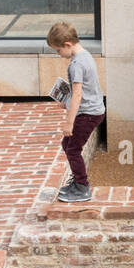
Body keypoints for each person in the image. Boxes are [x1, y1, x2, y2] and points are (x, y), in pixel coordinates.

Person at [46, 21, 105, 204]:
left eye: (58, 51)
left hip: (88, 113)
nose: (59, 55)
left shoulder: (75, 64)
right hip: (92, 110)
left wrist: (69, 122)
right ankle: (78, 181)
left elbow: (78, 94)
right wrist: (67, 101)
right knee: (67, 144)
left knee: (72, 149)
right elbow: (81, 91)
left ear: (67, 45)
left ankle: (82, 187)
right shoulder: (85, 55)